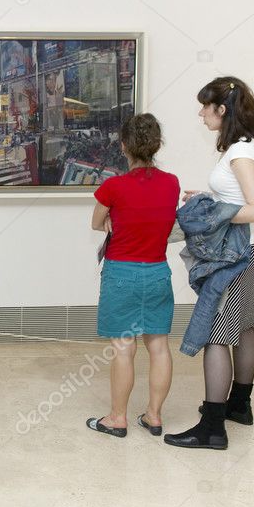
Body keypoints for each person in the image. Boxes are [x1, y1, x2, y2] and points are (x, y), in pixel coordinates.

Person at [165, 76, 254, 450]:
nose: (200, 113)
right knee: (242, 330)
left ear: (221, 110)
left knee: (216, 335)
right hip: (251, 250)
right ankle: (239, 406)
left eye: (204, 107)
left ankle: (211, 427)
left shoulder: (240, 152)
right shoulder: (246, 146)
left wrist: (213, 211)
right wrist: (211, 194)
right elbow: (245, 198)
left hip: (235, 256)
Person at [85, 113, 179, 438]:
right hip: (157, 272)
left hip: (121, 274)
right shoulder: (172, 183)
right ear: (156, 145)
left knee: (124, 348)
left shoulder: (113, 187)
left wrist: (112, 218)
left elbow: (96, 223)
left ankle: (117, 418)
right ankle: (154, 416)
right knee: (159, 346)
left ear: (124, 147)